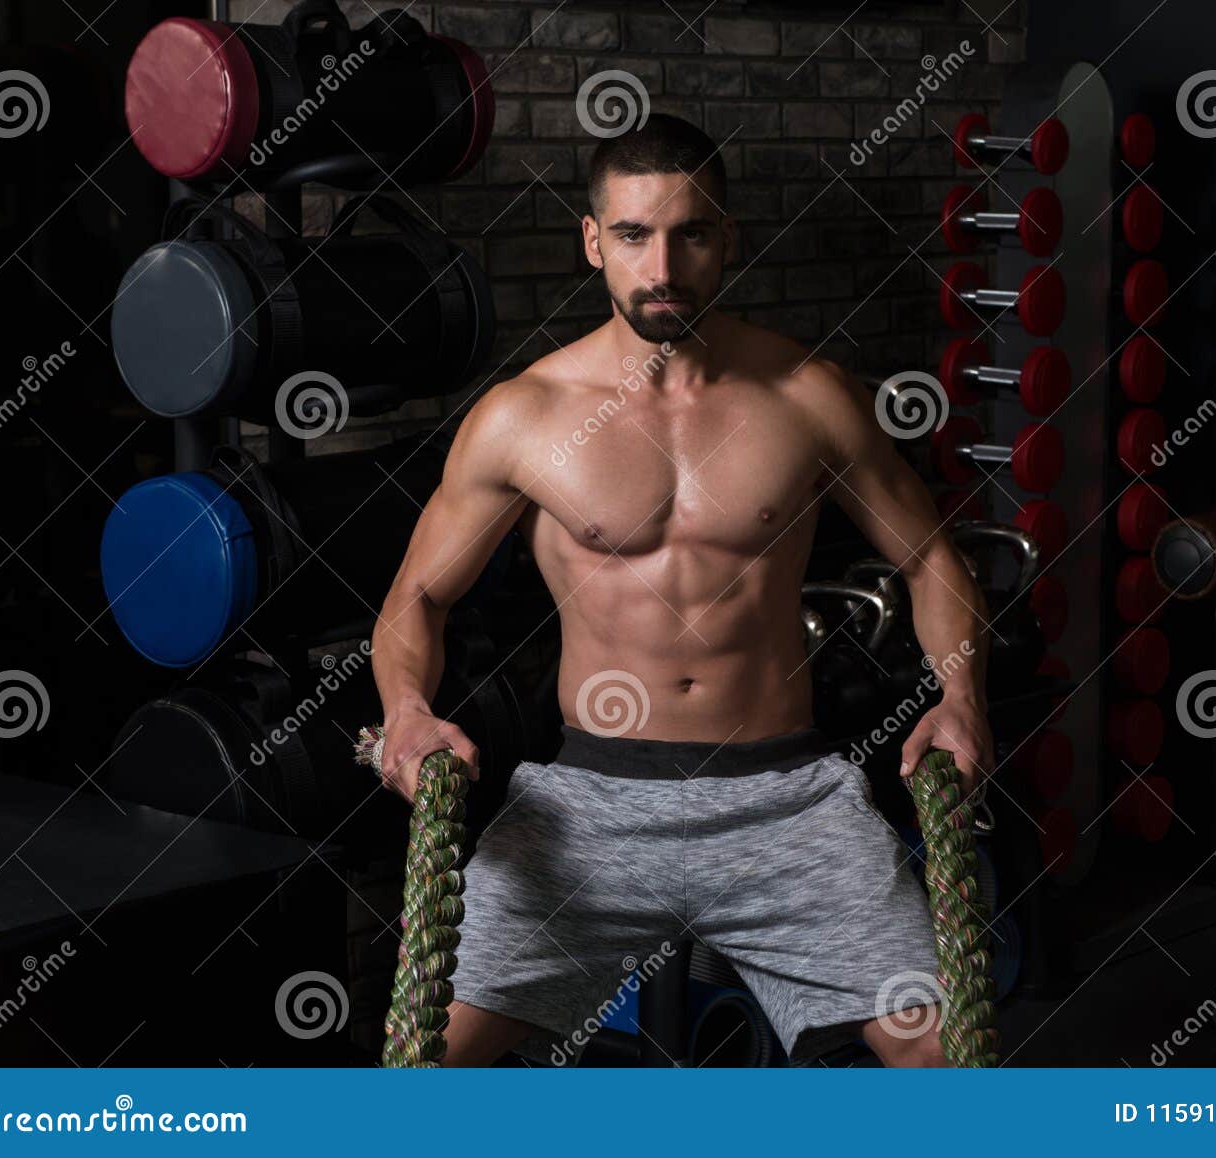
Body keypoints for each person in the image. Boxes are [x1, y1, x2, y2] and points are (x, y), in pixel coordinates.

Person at [370, 113, 994, 1067]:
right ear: (593, 243)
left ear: (726, 239)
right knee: (423, 1069)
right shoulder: (523, 418)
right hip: (588, 810)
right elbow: (416, 600)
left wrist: (960, 698)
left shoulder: (808, 397)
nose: (662, 265)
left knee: (953, 1063)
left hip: (789, 804)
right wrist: (407, 712)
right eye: (631, 236)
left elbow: (932, 562)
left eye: (690, 234)